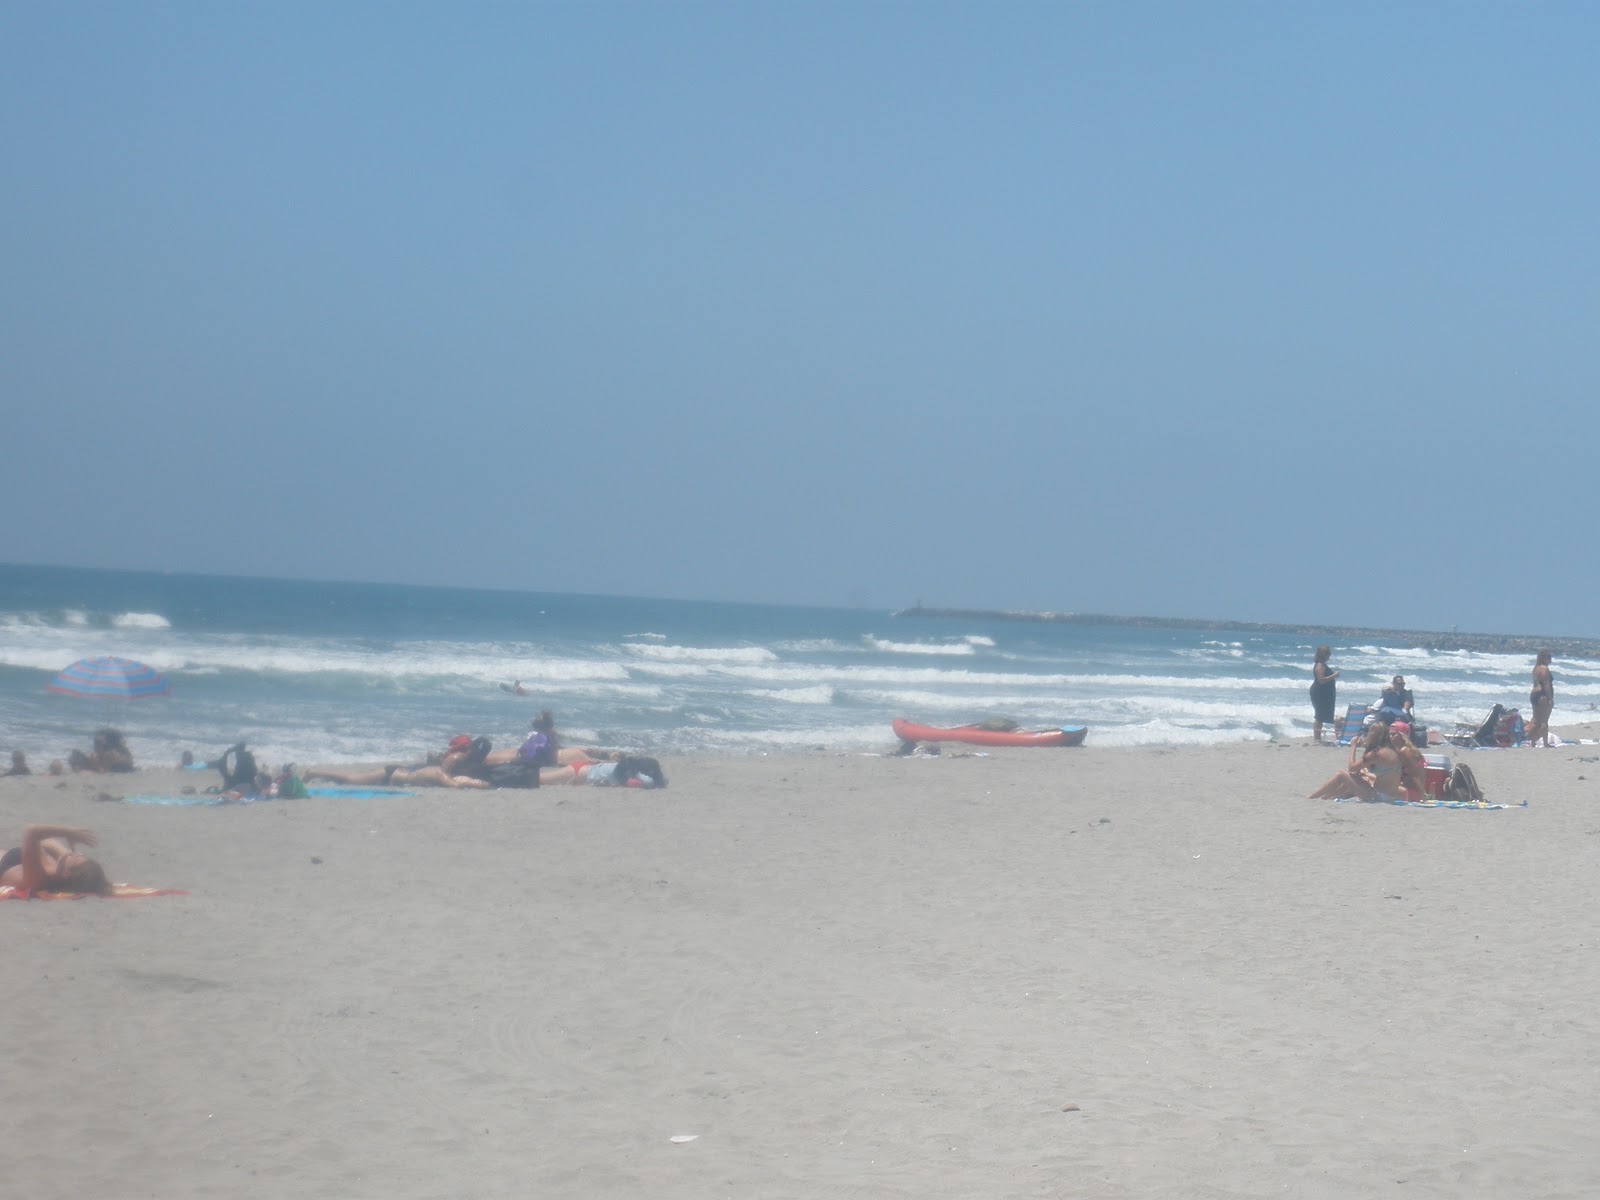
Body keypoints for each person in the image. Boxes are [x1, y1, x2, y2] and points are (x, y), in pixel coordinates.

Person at [0, 824, 112, 895]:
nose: (78, 853)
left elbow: (31, 832)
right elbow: (47, 842)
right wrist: (65, 853)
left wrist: (68, 832)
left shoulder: (37, 879)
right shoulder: (54, 867)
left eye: (78, 858)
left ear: (67, 873)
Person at [1308, 724, 1402, 801]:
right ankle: (1325, 797)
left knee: (1341, 774)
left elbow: (1352, 767)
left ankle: (1311, 797)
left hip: (1378, 797)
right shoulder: (1391, 751)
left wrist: (1353, 746)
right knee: (1353, 777)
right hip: (1389, 797)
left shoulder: (1376, 753)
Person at [68, 728, 134, 774]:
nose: (95, 745)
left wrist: (95, 766)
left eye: (98, 742)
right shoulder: (111, 755)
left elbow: (103, 770)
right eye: (96, 742)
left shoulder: (111, 755)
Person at [1309, 646, 1339, 744]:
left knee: (1321, 715)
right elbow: (1321, 680)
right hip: (1319, 693)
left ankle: (1318, 738)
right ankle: (1317, 739)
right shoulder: (1319, 666)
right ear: (1324, 655)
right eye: (1328, 654)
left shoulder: (1323, 665)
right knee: (1319, 715)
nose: (1329, 657)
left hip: (1325, 693)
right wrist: (1334, 676)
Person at [1527, 649, 1555, 748]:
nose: (1550, 659)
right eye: (1548, 657)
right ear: (1543, 658)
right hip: (1542, 695)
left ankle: (1532, 741)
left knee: (1535, 720)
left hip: (1534, 694)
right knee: (1544, 720)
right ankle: (1545, 742)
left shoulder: (1536, 668)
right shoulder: (1544, 669)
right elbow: (1546, 684)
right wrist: (1550, 698)